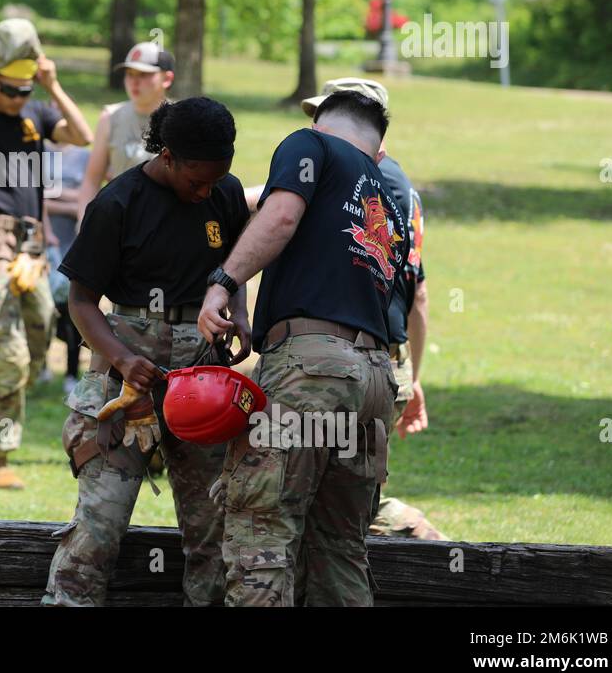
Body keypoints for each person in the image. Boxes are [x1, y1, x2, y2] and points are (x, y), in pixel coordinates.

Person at [198, 89, 408, 606]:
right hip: (375, 382)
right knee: (339, 547)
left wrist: (223, 281)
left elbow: (281, 217)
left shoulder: (308, 146)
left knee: (261, 533)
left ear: (321, 122)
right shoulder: (388, 193)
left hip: (311, 370)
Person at [41, 97, 250, 606]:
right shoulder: (117, 203)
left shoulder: (225, 192)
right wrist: (120, 358)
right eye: (196, 180)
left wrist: (239, 312)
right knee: (98, 527)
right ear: (168, 156)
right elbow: (82, 302)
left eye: (216, 180)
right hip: (127, 385)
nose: (206, 192)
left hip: (203, 380)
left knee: (213, 529)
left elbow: (234, 265)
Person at [0, 18, 92, 489]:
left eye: (25, 92)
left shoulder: (37, 115)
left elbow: (83, 136)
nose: (18, 99)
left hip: (30, 246)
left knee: (39, 339)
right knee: (8, 352)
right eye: (11, 91)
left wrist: (53, 85)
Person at [299, 78, 443, 540]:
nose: (318, 132)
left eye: (332, 121)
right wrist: (413, 377)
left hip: (351, 356)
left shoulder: (357, 178)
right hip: (389, 360)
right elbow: (417, 290)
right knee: (349, 493)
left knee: (337, 499)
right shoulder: (404, 186)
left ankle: (424, 542)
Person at [75, 42, 175, 224]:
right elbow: (91, 180)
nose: (134, 82)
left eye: (144, 74)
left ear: (166, 79)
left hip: (165, 222)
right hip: (119, 220)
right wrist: (84, 225)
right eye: (130, 74)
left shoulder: (180, 118)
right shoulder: (110, 117)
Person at [43, 141, 91, 391]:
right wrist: (75, 202)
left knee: (73, 314)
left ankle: (72, 373)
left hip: (73, 247)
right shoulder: (39, 150)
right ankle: (41, 367)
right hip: (45, 247)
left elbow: (92, 196)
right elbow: (34, 196)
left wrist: (53, 194)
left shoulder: (86, 155)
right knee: (42, 313)